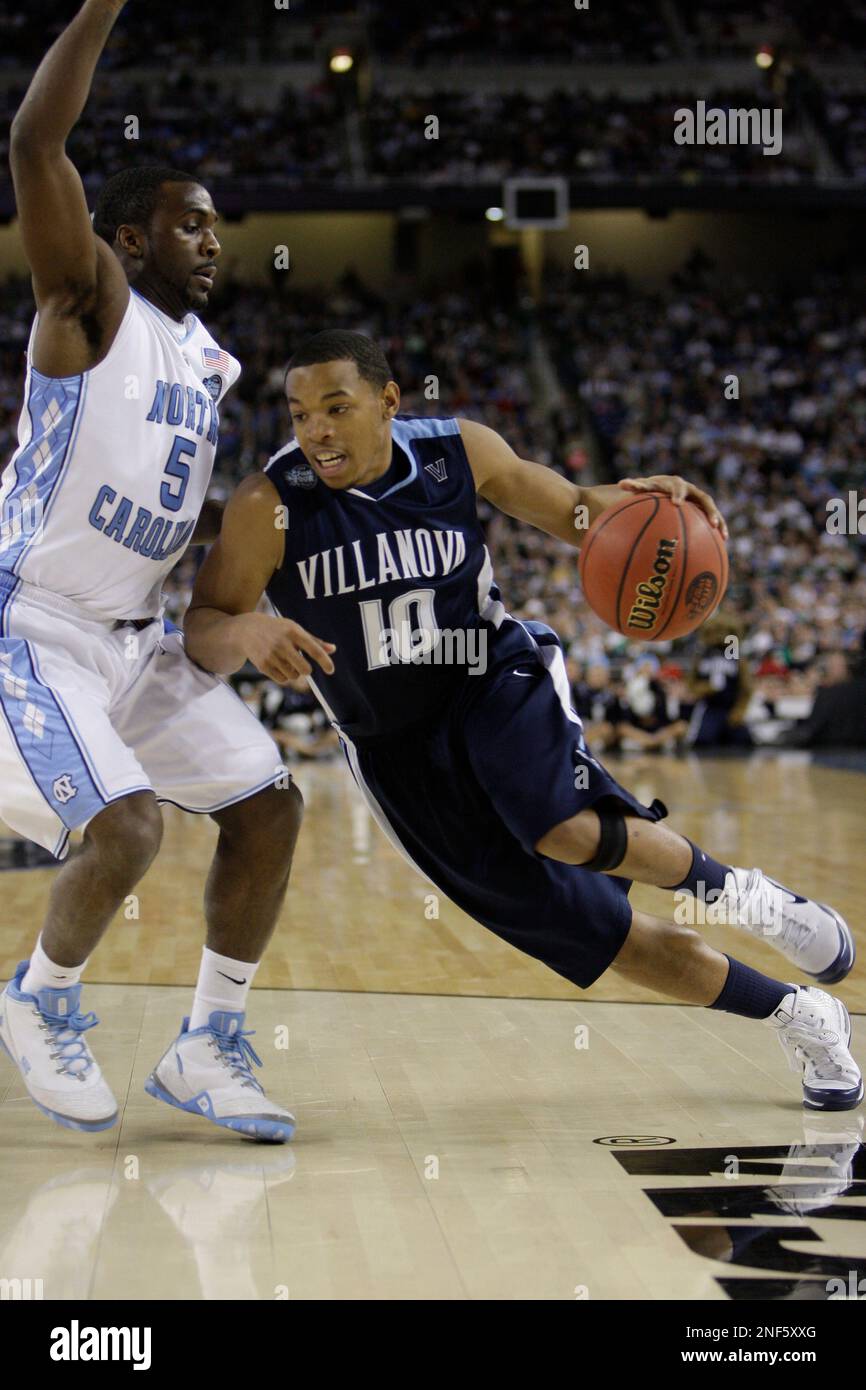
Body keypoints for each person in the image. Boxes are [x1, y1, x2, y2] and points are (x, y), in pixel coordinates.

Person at [183, 331, 861, 1115]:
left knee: (564, 828)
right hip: (394, 750)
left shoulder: (456, 451)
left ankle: (751, 899)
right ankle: (801, 1015)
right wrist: (244, 633)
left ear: (389, 402)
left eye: (337, 408)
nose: (318, 432)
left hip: (490, 675)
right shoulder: (270, 502)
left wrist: (647, 504)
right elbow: (206, 618)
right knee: (601, 935)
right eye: (302, 415)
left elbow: (577, 513)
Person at [0, 0, 299, 1141]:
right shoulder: (89, 306)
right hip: (30, 631)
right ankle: (38, 1000)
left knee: (269, 805)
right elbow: (34, 142)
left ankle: (207, 1044)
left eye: (218, 225)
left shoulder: (209, 360)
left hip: (130, 643)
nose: (214, 240)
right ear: (128, 240)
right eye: (189, 223)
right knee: (127, 829)